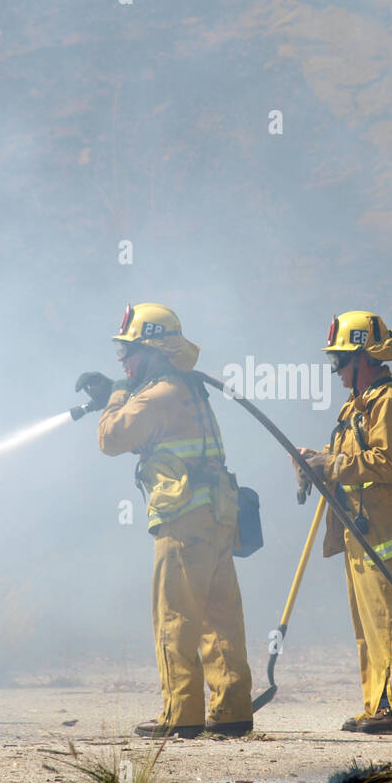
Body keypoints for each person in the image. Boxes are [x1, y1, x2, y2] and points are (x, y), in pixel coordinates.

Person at [77, 303, 254, 739]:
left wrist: (115, 395)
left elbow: (111, 439)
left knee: (176, 617)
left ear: (154, 351)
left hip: (183, 522)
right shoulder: (188, 390)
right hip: (216, 519)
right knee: (220, 618)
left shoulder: (157, 395)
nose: (121, 358)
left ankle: (181, 716)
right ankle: (233, 712)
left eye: (129, 350)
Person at [295, 311, 392, 734]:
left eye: (340, 359)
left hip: (384, 534)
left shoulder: (391, 402)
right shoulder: (360, 403)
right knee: (368, 627)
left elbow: (387, 464)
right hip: (359, 530)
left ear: (364, 357)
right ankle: (376, 705)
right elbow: (352, 460)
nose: (334, 370)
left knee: (391, 621)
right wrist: (315, 461)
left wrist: (330, 463)